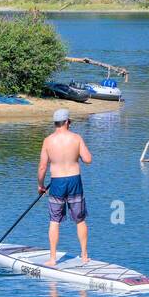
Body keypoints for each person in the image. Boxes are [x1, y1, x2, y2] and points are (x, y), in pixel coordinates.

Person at [37, 108, 92, 264]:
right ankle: (84, 255)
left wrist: (40, 186)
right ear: (68, 122)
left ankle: (53, 259)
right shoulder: (76, 138)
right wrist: (76, 155)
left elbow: (42, 167)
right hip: (74, 181)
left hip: (57, 182)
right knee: (80, 220)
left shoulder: (48, 141)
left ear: (56, 123)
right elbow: (88, 159)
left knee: (54, 220)